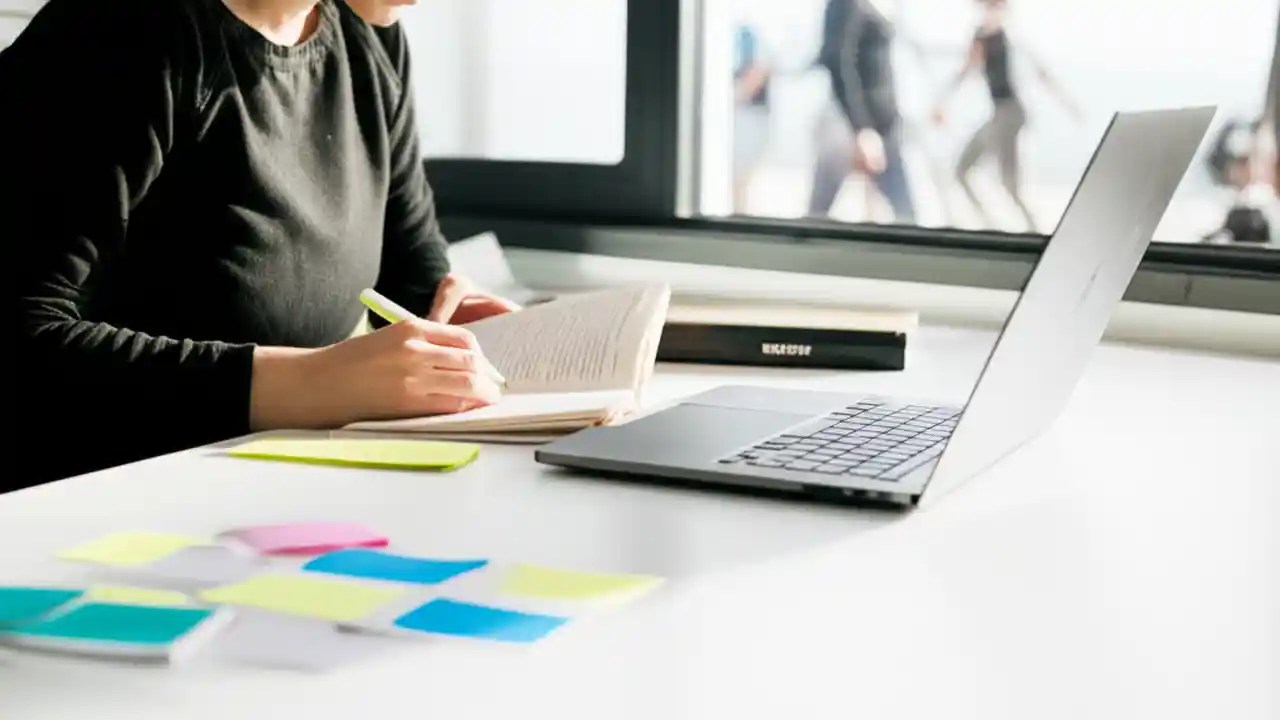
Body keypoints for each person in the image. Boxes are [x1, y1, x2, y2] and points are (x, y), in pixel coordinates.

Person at [5, 0, 521, 488]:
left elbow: (415, 285)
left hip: (278, 484)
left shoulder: (372, 40)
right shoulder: (121, 34)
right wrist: (312, 383)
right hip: (94, 500)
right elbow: (20, 343)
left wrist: (459, 328)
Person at [932, 0, 1081, 233]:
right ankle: (992, 226)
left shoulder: (1007, 32)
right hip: (999, 113)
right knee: (963, 169)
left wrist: (1068, 103)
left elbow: (1040, 71)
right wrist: (943, 101)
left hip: (1011, 114)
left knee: (1011, 183)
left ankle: (1036, 232)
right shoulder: (985, 33)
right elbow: (969, 67)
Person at [809, 0, 916, 223]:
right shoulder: (846, 4)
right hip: (856, 124)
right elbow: (837, 59)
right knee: (818, 214)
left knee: (903, 214)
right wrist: (861, 128)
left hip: (882, 124)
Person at [733, 23, 772, 214]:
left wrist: (733, 99)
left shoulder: (748, 30)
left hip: (749, 115)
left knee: (741, 181)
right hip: (741, 114)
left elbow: (759, 69)